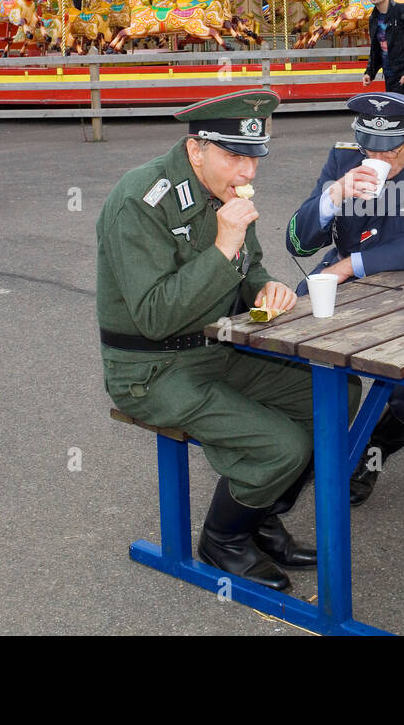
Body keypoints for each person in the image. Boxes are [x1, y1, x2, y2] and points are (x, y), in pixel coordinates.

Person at [97, 89, 316, 591]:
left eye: (254, 158)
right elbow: (153, 316)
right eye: (235, 157)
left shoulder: (223, 191)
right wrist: (221, 248)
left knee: (330, 396)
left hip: (216, 348)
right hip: (150, 370)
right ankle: (222, 540)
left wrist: (264, 286)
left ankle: (257, 516)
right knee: (283, 446)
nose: (248, 173)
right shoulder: (141, 200)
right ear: (197, 150)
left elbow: (249, 268)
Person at [286, 93, 404, 504]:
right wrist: (332, 198)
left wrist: (352, 265)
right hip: (344, 281)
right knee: (298, 346)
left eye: (391, 147)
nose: (378, 154)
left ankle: (370, 457)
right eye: (369, 145)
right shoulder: (344, 159)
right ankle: (301, 456)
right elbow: (297, 241)